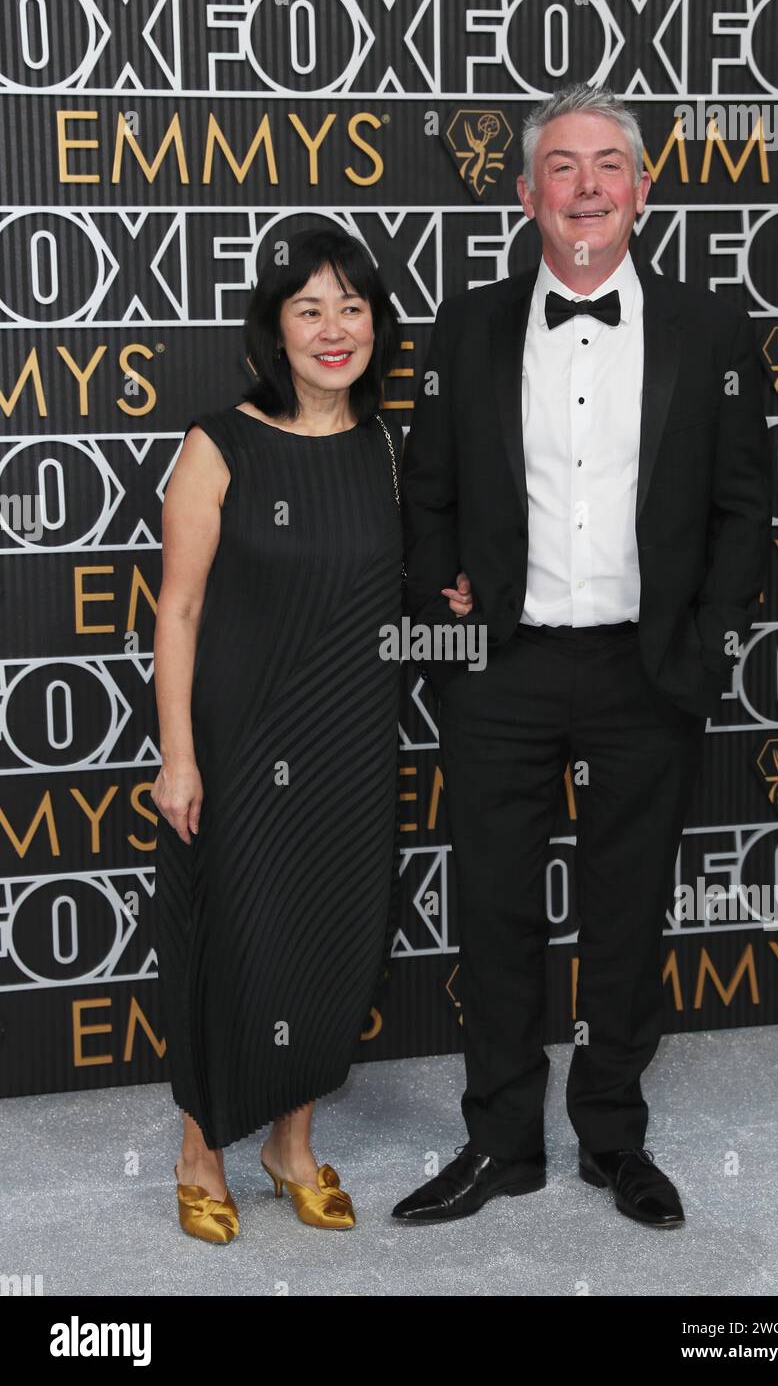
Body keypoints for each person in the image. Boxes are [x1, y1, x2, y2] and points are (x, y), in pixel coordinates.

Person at [393, 84, 772, 1226]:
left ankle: (613, 1142)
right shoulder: (465, 323)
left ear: (642, 192)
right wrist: (438, 594)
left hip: (641, 671)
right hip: (498, 669)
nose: (587, 186)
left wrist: (704, 644)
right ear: (524, 194)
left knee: (626, 915)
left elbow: (742, 508)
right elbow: (427, 494)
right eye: (562, 166)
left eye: (608, 164)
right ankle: (502, 1144)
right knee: (496, 912)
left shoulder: (709, 331)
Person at [151, 226, 473, 1242]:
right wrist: (178, 753)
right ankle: (201, 1151)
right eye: (308, 309)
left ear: (375, 324)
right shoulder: (220, 440)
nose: (333, 330)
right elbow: (181, 612)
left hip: (350, 742)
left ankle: (290, 1143)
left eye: (351, 308)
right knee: (233, 946)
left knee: (330, 950)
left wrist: (457, 603)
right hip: (241, 745)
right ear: (275, 328)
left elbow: (396, 598)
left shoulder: (385, 446)